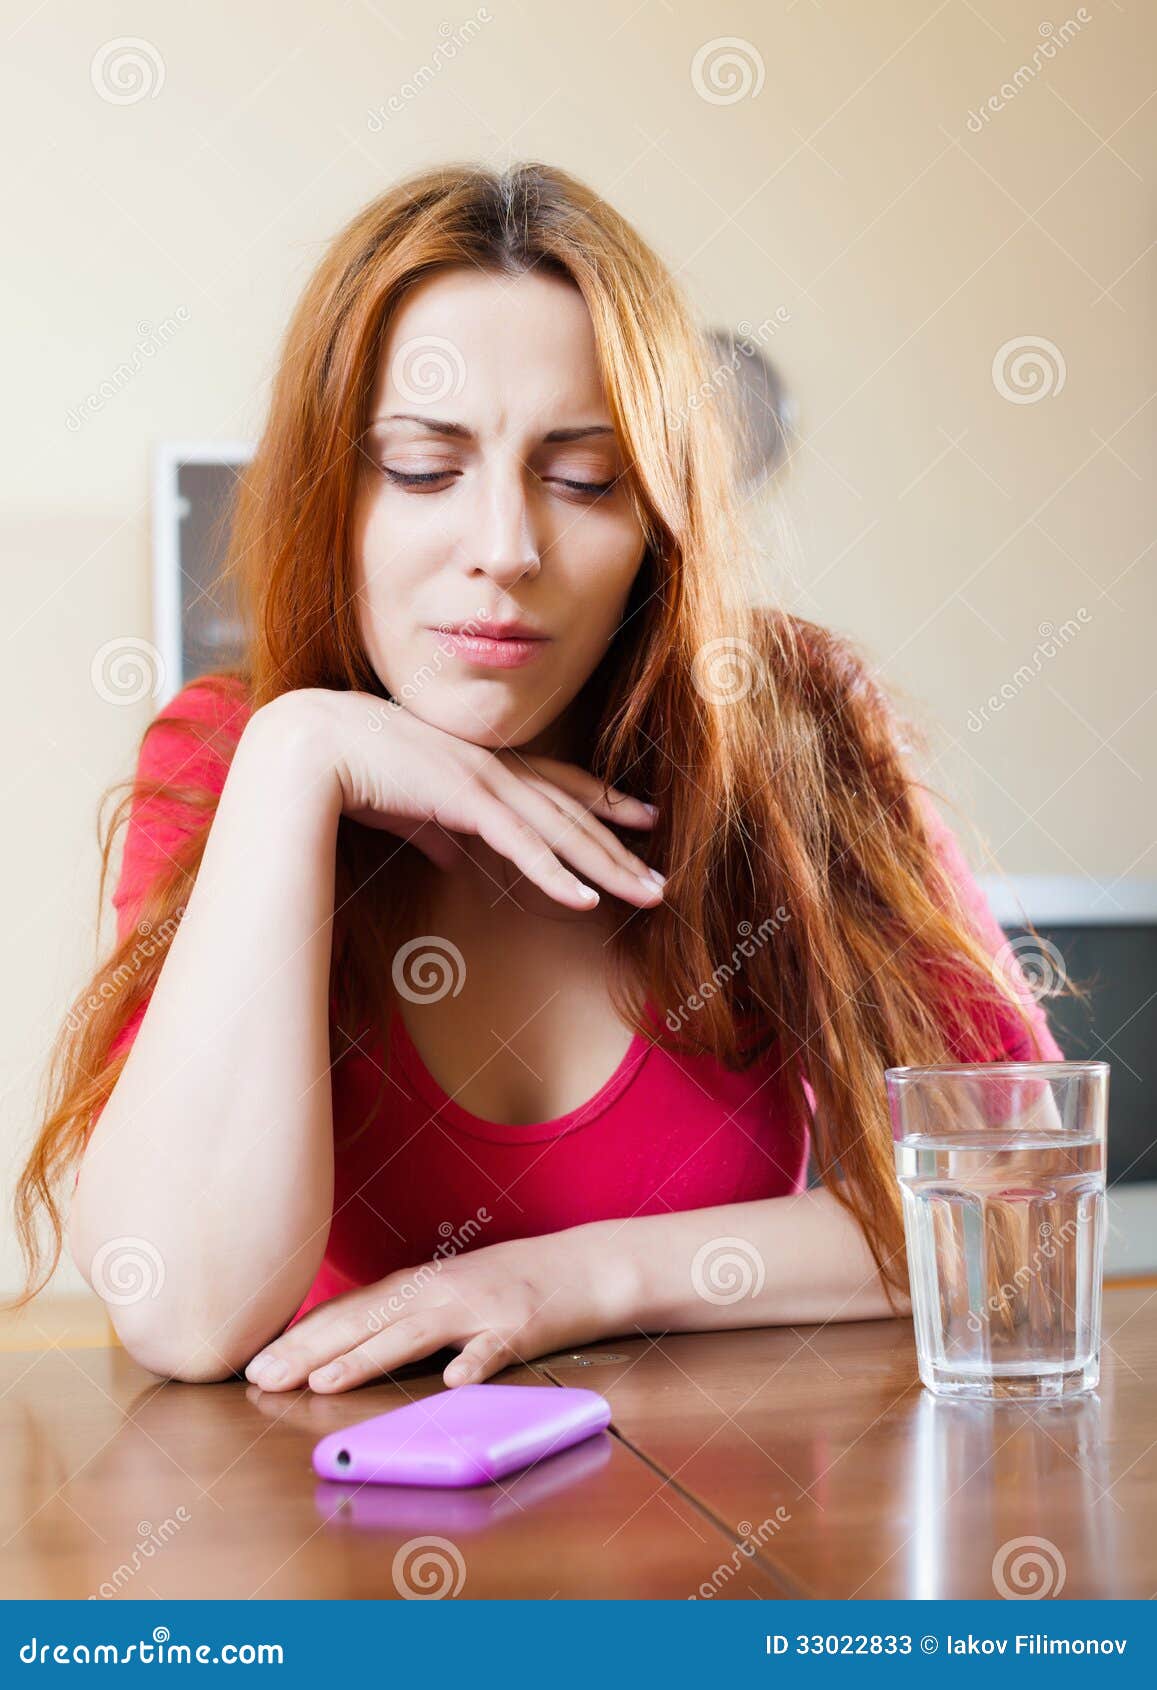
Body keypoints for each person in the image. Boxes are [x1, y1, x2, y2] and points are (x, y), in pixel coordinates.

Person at [12, 162, 1069, 1395]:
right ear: (329, 496)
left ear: (660, 520)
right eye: (420, 469)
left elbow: (1018, 1209)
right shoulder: (233, 755)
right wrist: (299, 759)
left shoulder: (795, 723)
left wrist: (560, 1281)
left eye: (582, 479)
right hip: (338, 1554)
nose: (506, 551)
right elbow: (182, 1314)